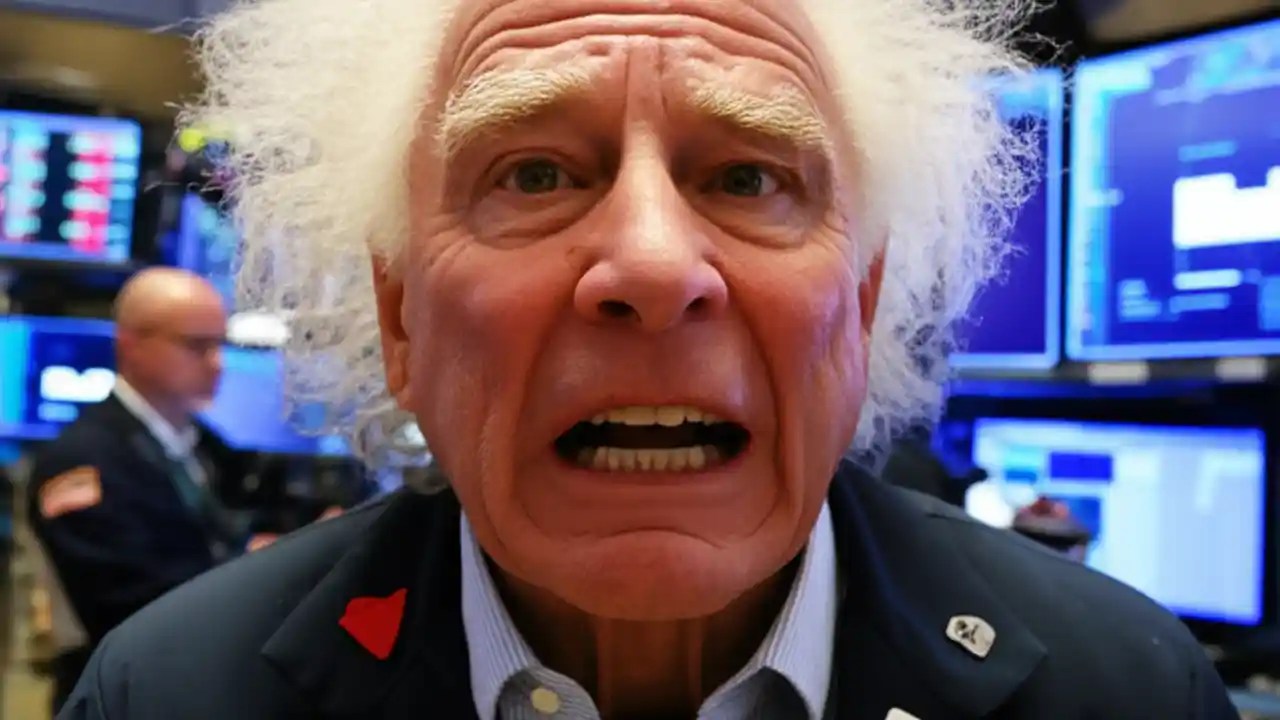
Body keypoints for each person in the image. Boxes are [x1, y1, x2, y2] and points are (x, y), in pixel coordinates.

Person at [61, 1, 1238, 718]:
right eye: (531, 173)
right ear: (399, 308)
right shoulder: (165, 697)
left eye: (745, 176)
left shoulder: (1127, 690)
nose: (652, 263)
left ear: (862, 300)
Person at [29, 268, 253, 711]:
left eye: (220, 345)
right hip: (122, 697)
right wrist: (253, 572)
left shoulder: (206, 447)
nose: (217, 363)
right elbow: (124, 602)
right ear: (130, 344)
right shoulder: (80, 462)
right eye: (197, 345)